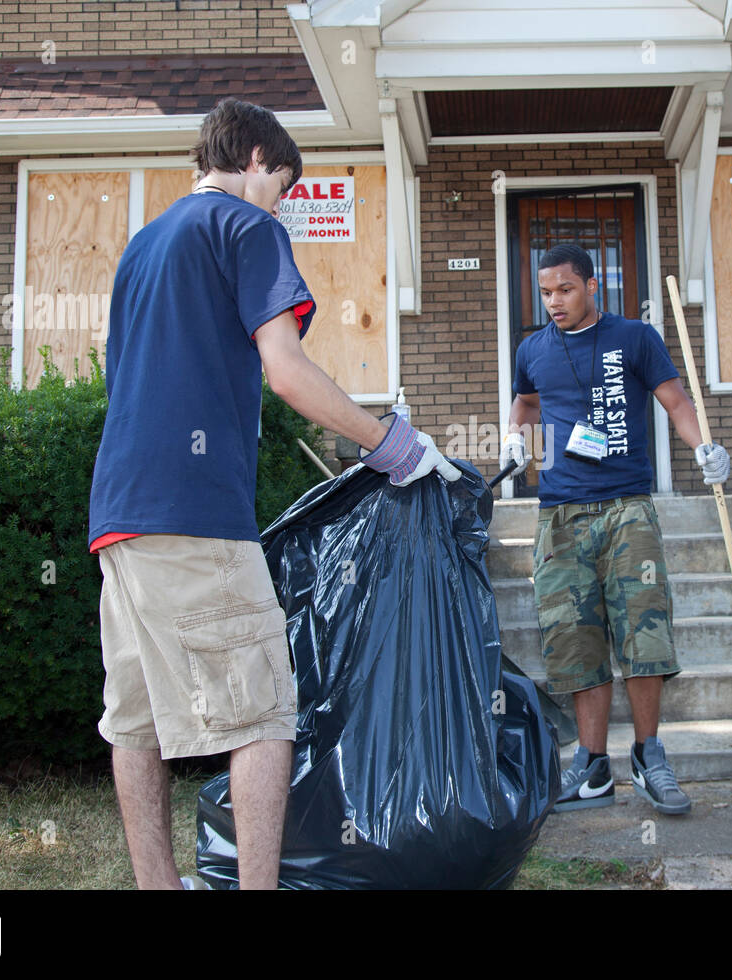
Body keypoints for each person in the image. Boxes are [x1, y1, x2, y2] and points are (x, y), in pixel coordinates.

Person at [87, 98, 459, 889]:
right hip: (195, 517)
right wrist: (391, 444)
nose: (283, 201)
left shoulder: (143, 245)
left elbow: (126, 380)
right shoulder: (246, 228)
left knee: (136, 722)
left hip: (119, 516)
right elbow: (286, 370)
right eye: (283, 183)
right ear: (256, 158)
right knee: (261, 717)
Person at [501, 244, 729, 815]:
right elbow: (525, 404)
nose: (554, 301)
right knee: (574, 640)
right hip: (559, 514)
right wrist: (514, 436)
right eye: (546, 291)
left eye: (565, 290)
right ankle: (593, 766)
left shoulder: (635, 337)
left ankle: (650, 757)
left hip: (628, 506)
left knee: (643, 632)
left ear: (592, 284)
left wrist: (705, 448)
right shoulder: (532, 349)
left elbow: (675, 401)